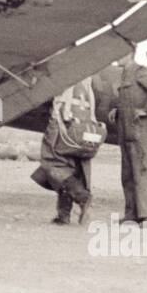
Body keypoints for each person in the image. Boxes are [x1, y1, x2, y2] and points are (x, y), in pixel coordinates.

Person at [31, 77, 100, 225]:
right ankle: (63, 216)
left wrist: (62, 113)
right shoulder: (89, 70)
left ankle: (83, 198)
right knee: (73, 169)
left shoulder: (69, 63)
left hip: (64, 120)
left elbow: (66, 86)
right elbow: (89, 94)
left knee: (53, 164)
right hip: (82, 123)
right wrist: (91, 117)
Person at [109, 52, 147, 223]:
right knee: (128, 174)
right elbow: (130, 98)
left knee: (144, 171)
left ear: (129, 53)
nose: (116, 56)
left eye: (120, 52)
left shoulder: (138, 71)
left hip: (140, 131)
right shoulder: (125, 72)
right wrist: (117, 109)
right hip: (127, 131)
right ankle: (132, 215)